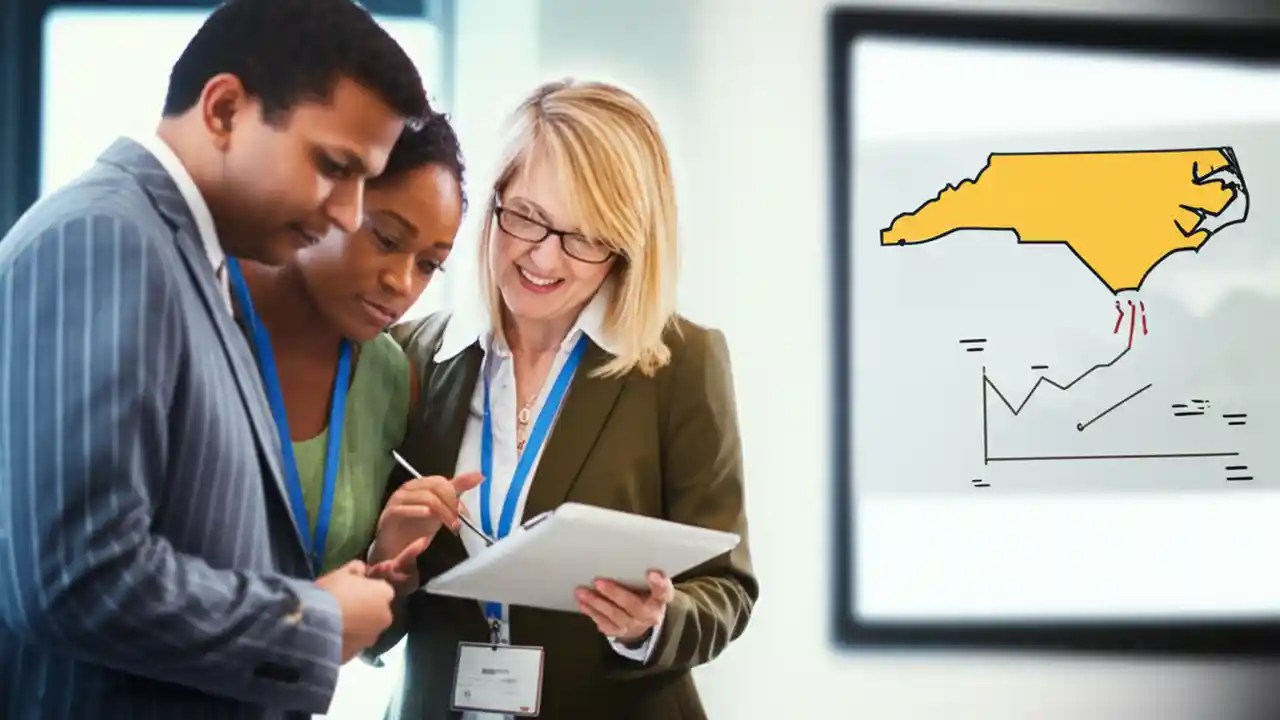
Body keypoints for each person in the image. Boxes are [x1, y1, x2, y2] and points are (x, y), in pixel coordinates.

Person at [0, 1, 428, 717]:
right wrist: (311, 621)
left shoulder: (193, 262)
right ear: (225, 109)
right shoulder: (107, 240)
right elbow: (77, 576)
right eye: (334, 167)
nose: (349, 213)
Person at [372, 79, 758, 719]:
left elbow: (727, 586)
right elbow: (363, 628)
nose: (545, 259)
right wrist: (388, 559)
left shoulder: (680, 364)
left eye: (585, 237)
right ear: (492, 204)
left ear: (627, 247)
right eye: (526, 217)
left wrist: (652, 625)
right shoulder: (406, 357)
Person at [228, 101, 481, 584]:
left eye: (429, 264)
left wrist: (387, 559)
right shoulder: (190, 317)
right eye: (386, 239)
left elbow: (369, 611)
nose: (402, 283)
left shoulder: (390, 380)